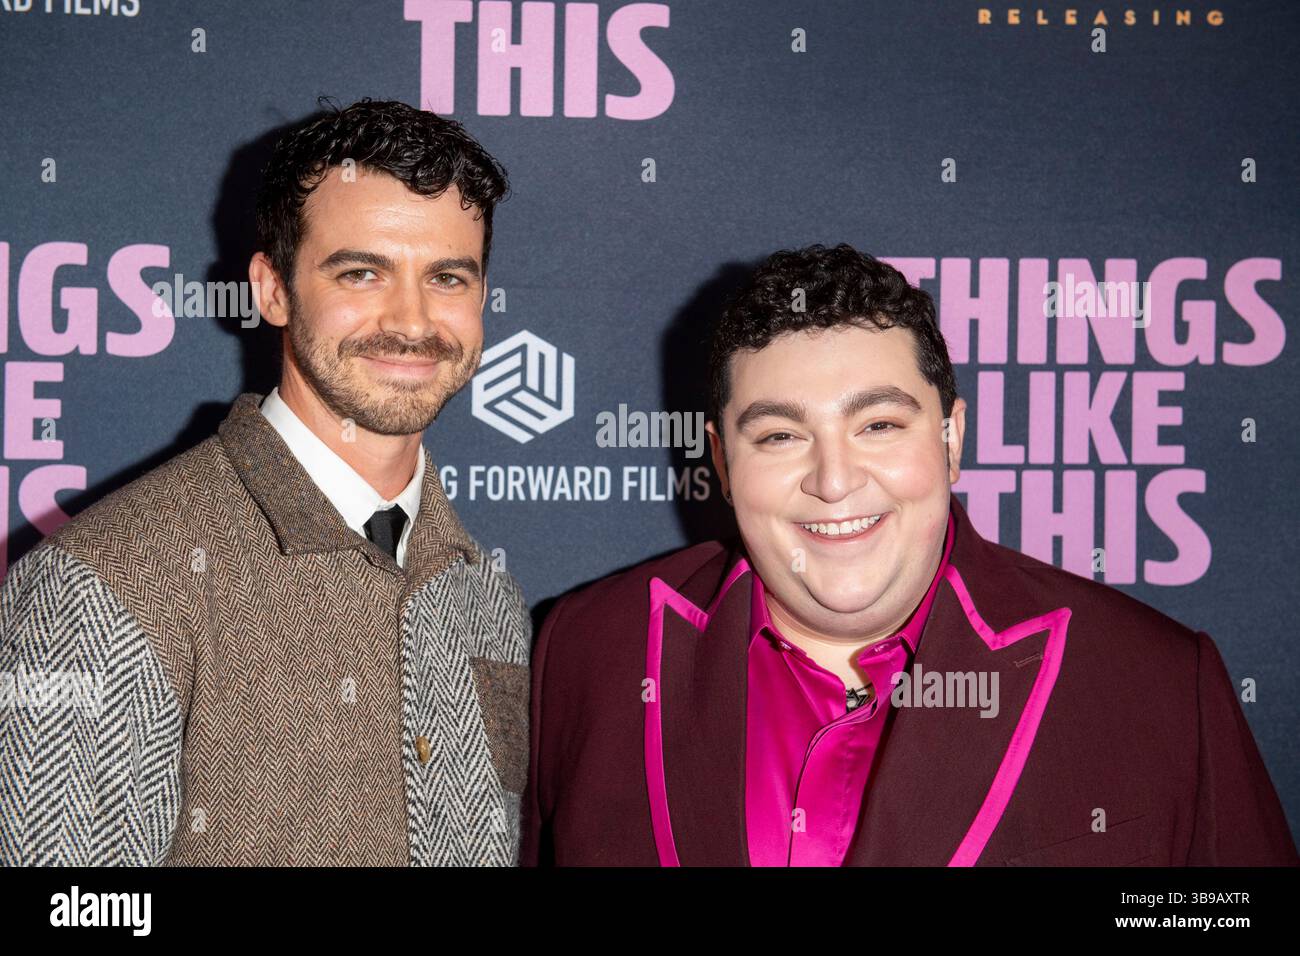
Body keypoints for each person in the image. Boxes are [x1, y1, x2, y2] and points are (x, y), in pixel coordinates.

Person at [521, 243, 1297, 866]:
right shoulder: (589, 651)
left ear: (951, 438)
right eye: (781, 435)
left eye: (880, 426)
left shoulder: (1154, 681)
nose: (833, 479)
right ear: (723, 465)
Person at [0, 99, 530, 866]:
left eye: (447, 277)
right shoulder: (104, 583)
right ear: (273, 289)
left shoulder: (487, 596)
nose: (413, 320)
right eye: (361, 272)